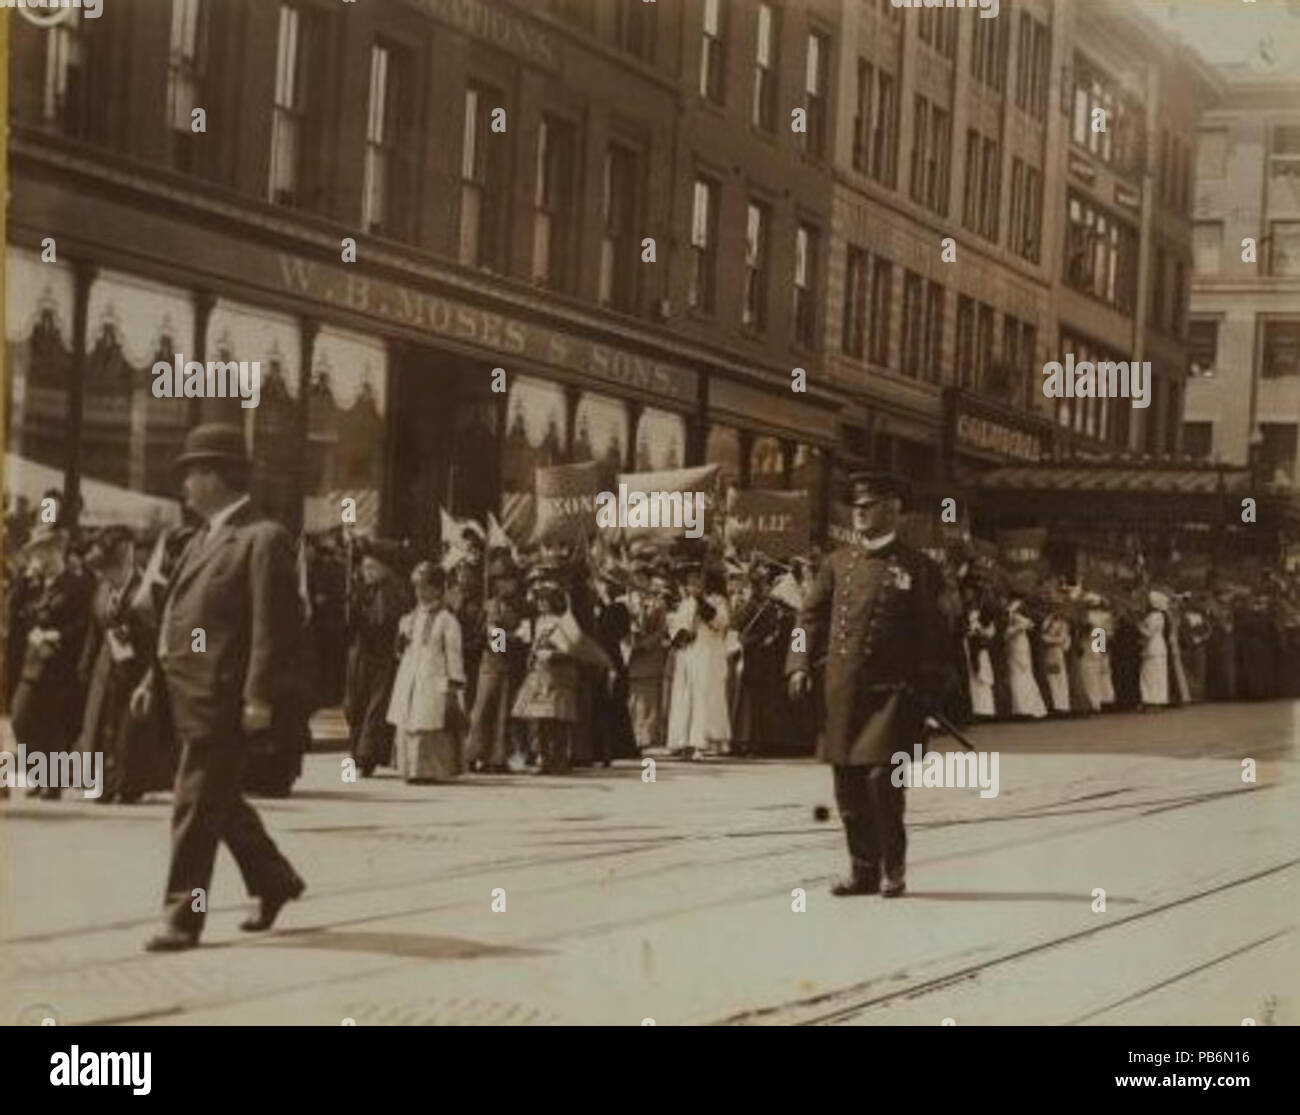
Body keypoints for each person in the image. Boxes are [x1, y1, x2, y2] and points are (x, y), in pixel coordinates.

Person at [132, 424, 306, 951]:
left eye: (192, 472)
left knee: (194, 803)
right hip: (183, 693)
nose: (185, 484)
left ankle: (183, 917)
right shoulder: (199, 538)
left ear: (218, 476)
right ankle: (273, 879)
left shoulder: (263, 538)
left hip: (223, 698)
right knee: (218, 800)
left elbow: (270, 628)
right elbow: (175, 619)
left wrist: (259, 696)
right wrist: (150, 677)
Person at [786, 472, 949, 899]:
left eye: (870, 505)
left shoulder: (919, 568)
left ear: (893, 508)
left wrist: (931, 696)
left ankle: (892, 867)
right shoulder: (837, 564)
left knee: (883, 781)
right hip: (843, 691)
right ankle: (862, 869)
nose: (860, 512)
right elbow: (809, 617)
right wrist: (798, 663)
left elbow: (935, 637)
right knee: (847, 786)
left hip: (894, 696)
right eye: (856, 507)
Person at [76, 528, 172, 803]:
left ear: (125, 563)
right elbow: (95, 629)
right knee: (98, 727)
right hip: (106, 668)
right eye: (104, 571)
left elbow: (159, 638)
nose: (107, 576)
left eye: (111, 569)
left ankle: (130, 783)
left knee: (129, 731)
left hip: (138, 671)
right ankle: (102, 783)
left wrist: (151, 678)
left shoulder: (150, 589)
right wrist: (85, 664)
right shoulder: (102, 588)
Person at [10, 526, 93, 800]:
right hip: (33, 662)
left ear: (57, 552)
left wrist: (58, 634)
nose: (39, 559)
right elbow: (17, 612)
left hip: (60, 664)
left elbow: (84, 624)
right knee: (22, 719)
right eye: (36, 553)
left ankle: (52, 781)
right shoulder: (34, 585)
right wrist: (25, 581)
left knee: (52, 724)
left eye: (43, 552)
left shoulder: (76, 584)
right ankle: (39, 774)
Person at [387, 562, 466, 782]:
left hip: (434, 678)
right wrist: (400, 644)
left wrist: (454, 681)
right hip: (411, 676)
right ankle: (410, 768)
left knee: (430, 720)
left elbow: (453, 653)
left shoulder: (447, 620)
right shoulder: (409, 619)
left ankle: (433, 770)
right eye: (417, 588)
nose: (420, 593)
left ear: (438, 590)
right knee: (410, 718)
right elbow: (401, 652)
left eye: (425, 588)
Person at [513, 576, 583, 774]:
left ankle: (557, 757)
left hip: (557, 673)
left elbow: (573, 648)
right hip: (533, 672)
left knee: (557, 718)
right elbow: (497, 636)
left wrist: (552, 653)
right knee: (539, 719)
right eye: (539, 599)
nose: (541, 603)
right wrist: (500, 646)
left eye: (546, 599)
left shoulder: (563, 620)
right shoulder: (532, 620)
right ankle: (540, 756)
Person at [344, 545, 404, 777]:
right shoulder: (362, 590)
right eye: (365, 567)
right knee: (356, 704)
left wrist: (500, 647)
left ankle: (366, 754)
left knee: (375, 706)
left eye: (372, 567)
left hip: (381, 655)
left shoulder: (390, 592)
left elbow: (383, 622)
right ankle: (359, 752)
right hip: (361, 655)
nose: (366, 571)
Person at [666, 561, 732, 759]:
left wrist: (701, 602)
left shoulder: (717, 600)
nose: (693, 583)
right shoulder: (685, 603)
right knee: (684, 695)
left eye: (697, 579)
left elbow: (720, 622)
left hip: (708, 654)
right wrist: (680, 635)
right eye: (690, 580)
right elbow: (675, 627)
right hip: (688, 654)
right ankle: (683, 741)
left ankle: (703, 742)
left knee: (704, 695)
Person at [1005, 598, 1047, 719]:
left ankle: (1025, 707)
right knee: (1019, 673)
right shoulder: (1018, 617)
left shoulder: (1016, 614)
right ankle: (1024, 707)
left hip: (1021, 644)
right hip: (1017, 644)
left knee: (1023, 672)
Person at [1138, 590, 1170, 708]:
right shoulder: (1161, 616)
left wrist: (1139, 626)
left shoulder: (1153, 616)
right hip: (1159, 647)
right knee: (1158, 676)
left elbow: (1148, 633)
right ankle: (1158, 700)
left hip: (1152, 647)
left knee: (1149, 676)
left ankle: (1150, 700)